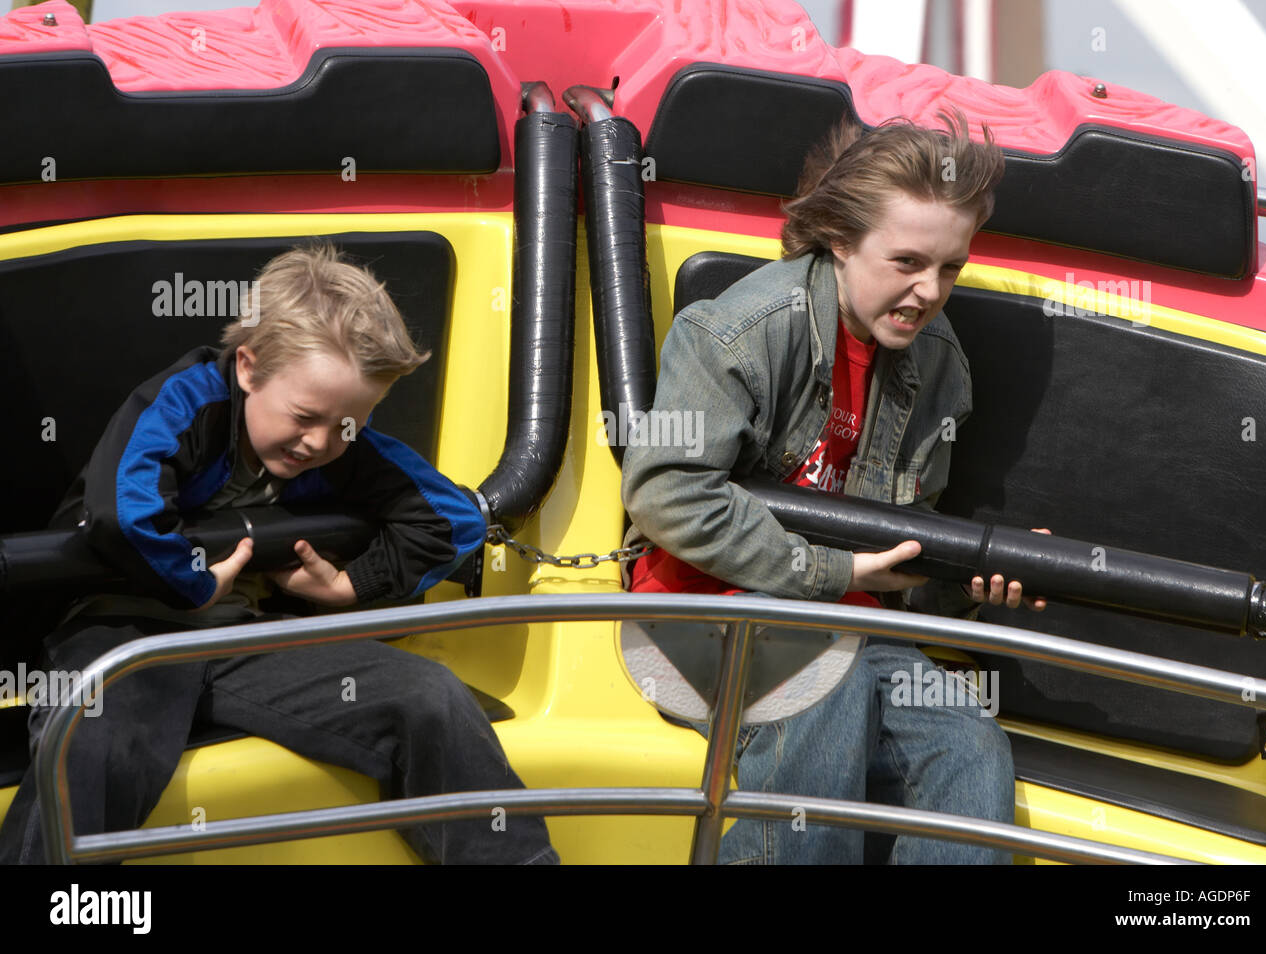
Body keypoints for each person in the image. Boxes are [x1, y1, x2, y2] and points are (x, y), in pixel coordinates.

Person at [0, 243, 558, 865]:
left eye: (349, 424)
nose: (319, 442)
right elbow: (123, 511)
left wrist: (352, 586)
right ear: (248, 367)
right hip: (125, 629)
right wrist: (193, 579)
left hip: (245, 635)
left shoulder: (344, 445)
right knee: (94, 737)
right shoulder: (185, 403)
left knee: (430, 696)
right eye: (304, 415)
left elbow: (453, 521)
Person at [622, 110, 1046, 864]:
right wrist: (835, 573)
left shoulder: (940, 365)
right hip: (690, 617)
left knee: (970, 744)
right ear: (842, 241)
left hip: (850, 628)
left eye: (950, 268)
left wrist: (975, 579)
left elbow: (904, 566)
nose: (929, 290)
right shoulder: (737, 329)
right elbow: (665, 494)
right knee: (824, 681)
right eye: (908, 262)